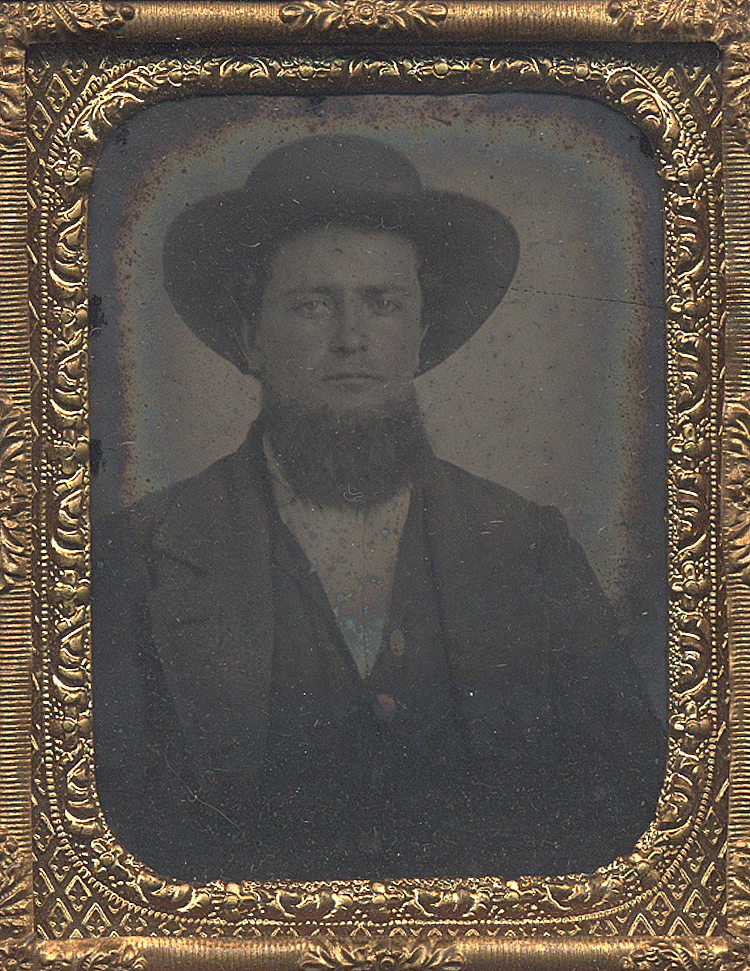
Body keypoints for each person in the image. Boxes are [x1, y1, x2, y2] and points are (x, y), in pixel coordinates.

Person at [92, 135, 664, 885]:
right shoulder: (139, 554)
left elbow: (628, 810)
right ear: (250, 336)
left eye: (383, 303)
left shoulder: (528, 546)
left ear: (419, 334)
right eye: (311, 304)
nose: (352, 339)